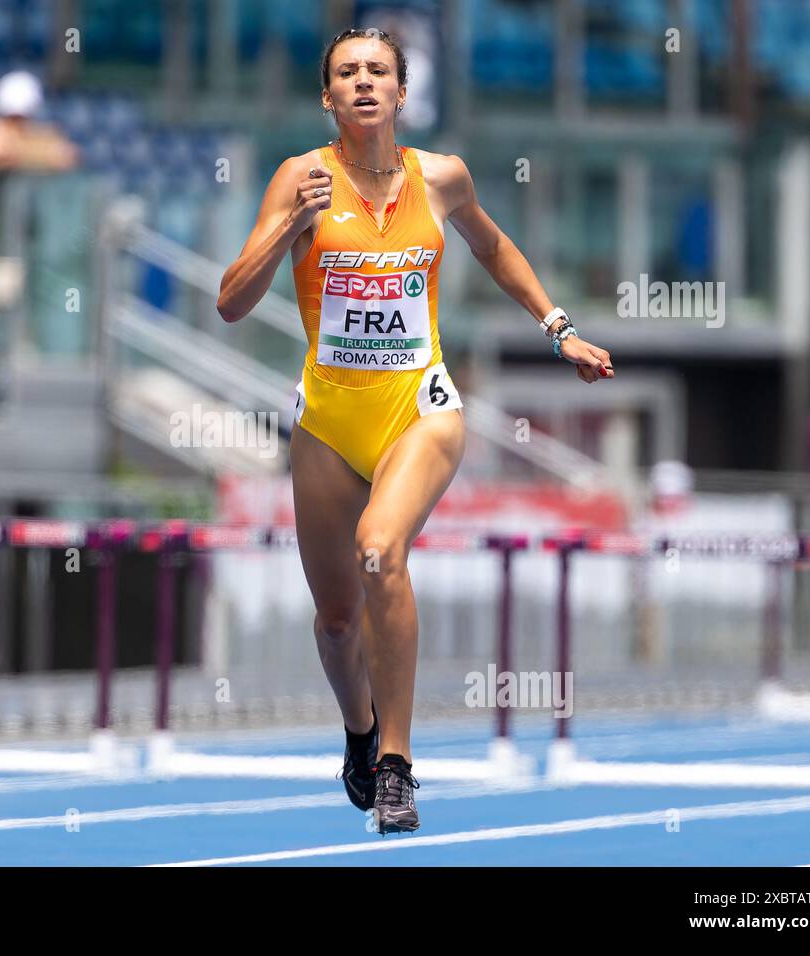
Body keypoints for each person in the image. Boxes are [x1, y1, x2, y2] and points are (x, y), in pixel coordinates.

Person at [217, 28, 614, 833]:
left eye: (379, 71)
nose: (364, 83)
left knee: (379, 551)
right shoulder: (300, 178)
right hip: (328, 421)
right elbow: (231, 300)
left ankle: (397, 766)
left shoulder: (443, 178)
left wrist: (558, 326)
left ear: (401, 92)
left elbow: (494, 246)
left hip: (420, 410)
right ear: (327, 98)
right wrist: (285, 223)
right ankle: (359, 730)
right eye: (346, 74)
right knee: (334, 622)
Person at [0, 71, 80, 175]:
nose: (17, 123)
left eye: (21, 118)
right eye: (13, 118)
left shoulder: (41, 135)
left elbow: (68, 158)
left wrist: (26, 155)